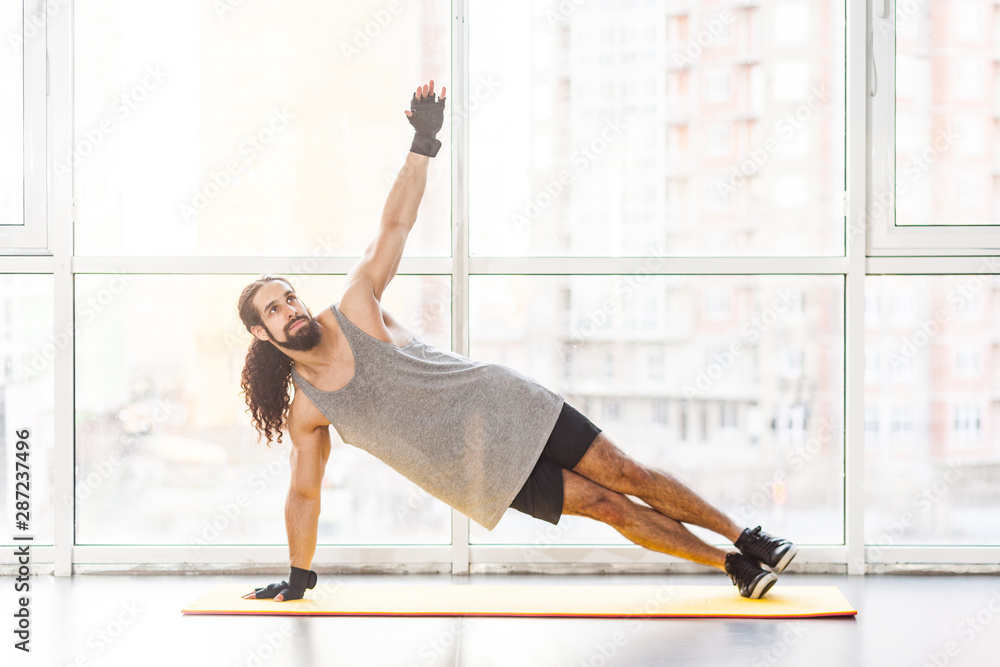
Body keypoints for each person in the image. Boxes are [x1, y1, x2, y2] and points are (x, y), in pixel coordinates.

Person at [237, 80, 796, 602]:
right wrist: (298, 576)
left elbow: (394, 228)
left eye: (290, 297)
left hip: (506, 404)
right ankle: (729, 563)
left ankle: (749, 536)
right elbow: (304, 493)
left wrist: (423, 142)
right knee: (608, 507)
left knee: (630, 475)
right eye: (275, 310)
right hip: (474, 470)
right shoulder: (308, 412)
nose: (291, 309)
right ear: (262, 334)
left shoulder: (355, 306)